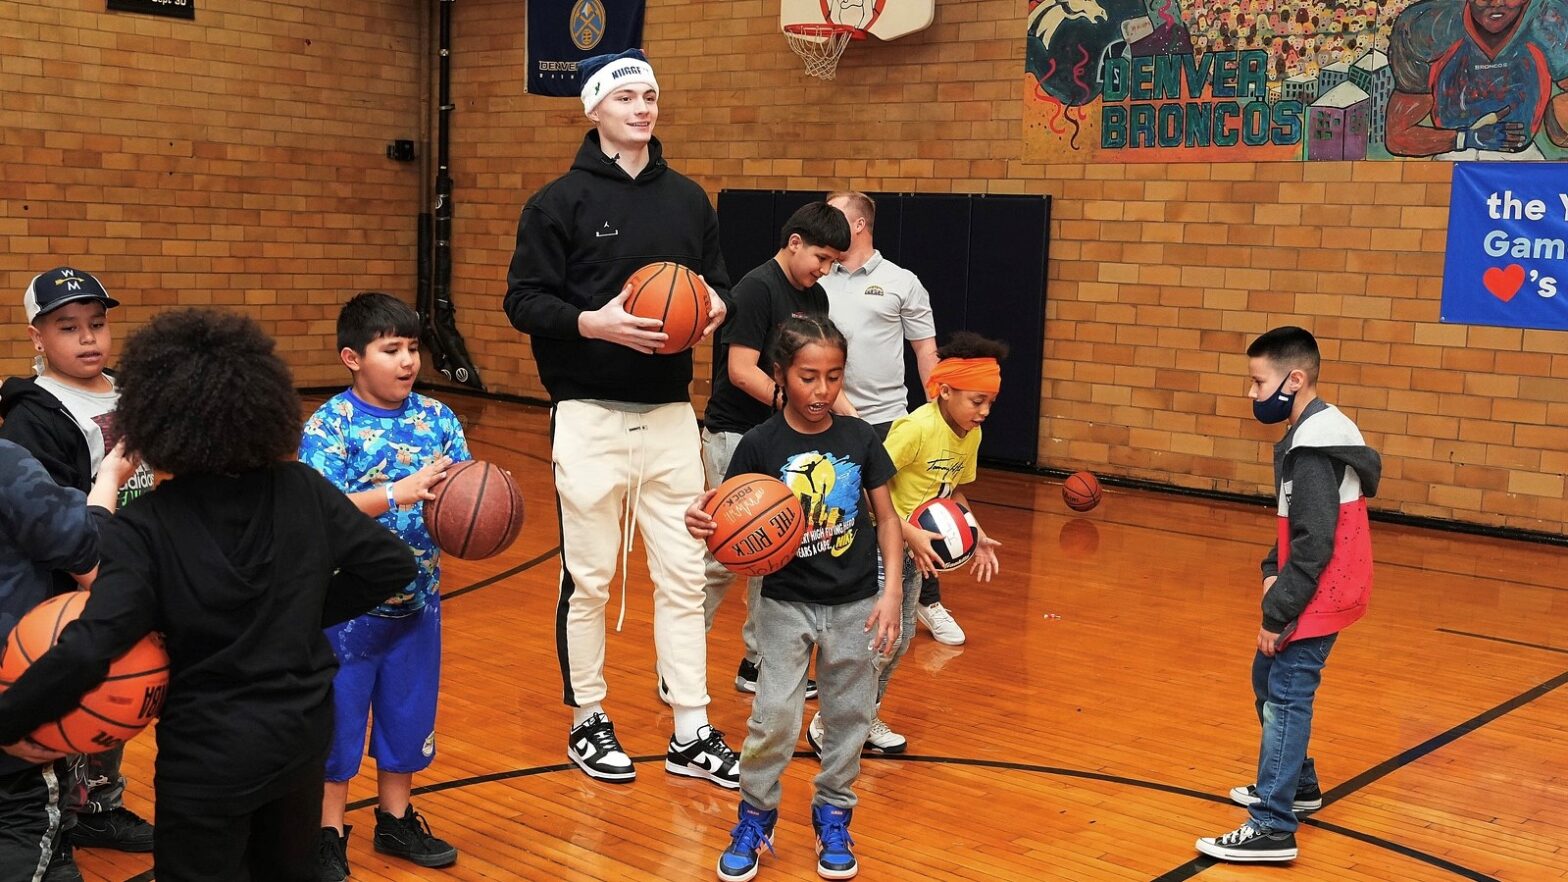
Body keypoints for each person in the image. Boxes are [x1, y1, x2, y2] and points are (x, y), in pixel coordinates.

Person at [0, 308, 416, 882]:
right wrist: (300, 615)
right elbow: (391, 565)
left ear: (154, 417)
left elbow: (90, 647)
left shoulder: (146, 525)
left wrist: (8, 721)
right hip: (300, 735)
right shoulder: (301, 489)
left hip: (209, 752)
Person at [504, 47, 740, 788]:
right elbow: (523, 303)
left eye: (651, 97)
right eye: (628, 96)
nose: (644, 108)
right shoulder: (557, 201)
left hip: (672, 414)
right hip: (587, 412)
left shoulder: (690, 199)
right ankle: (588, 720)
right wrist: (593, 324)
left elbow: (721, 286)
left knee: (684, 577)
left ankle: (691, 729)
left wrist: (713, 310)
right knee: (592, 578)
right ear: (595, 108)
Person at [685, 316, 903, 882]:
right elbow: (720, 515)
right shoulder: (761, 443)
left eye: (834, 377)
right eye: (809, 377)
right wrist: (698, 521)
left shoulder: (858, 439)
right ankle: (756, 817)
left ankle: (833, 813)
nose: (822, 390)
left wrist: (891, 592)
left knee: (849, 718)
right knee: (775, 718)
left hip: (856, 603)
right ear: (780, 374)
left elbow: (887, 520)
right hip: (783, 604)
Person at [1195, 326, 1380, 863]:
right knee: (1268, 679)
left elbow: (1315, 542)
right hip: (1313, 587)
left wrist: (1277, 612)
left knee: (1285, 696)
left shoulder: (1315, 447)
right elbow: (1295, 525)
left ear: (1294, 380)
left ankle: (1273, 825)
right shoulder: (1311, 431)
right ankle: (1297, 787)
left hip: (1319, 594)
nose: (1252, 394)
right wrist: (1269, 567)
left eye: (1258, 382)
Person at [300, 293, 469, 879]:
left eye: (413, 348)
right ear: (352, 357)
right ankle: (326, 833)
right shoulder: (329, 425)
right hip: (343, 612)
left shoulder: (438, 420)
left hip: (417, 603)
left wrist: (477, 516)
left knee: (408, 716)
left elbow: (463, 499)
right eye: (389, 349)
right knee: (337, 729)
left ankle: (395, 820)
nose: (406, 362)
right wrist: (398, 491)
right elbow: (321, 513)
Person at [0, 267, 157, 856]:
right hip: (74, 576)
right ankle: (73, 811)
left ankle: (100, 798)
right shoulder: (33, 415)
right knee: (81, 693)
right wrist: (99, 579)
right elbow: (47, 521)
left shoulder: (122, 391)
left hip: (125, 556)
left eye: (97, 324)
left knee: (118, 689)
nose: (88, 338)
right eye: (68, 327)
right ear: (38, 337)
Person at [807, 332, 1005, 757]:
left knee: (902, 636)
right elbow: (864, 485)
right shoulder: (916, 429)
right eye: (977, 401)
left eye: (991, 401)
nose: (985, 411)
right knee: (877, 637)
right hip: (882, 543)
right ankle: (829, 722)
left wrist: (976, 530)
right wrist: (905, 531)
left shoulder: (970, 434)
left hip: (914, 550)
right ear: (946, 390)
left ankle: (864, 715)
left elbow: (952, 491)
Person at [701, 202, 849, 696]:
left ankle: (756, 663)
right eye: (821, 258)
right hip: (735, 436)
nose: (824, 270)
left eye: (832, 263)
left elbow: (821, 372)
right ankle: (679, 659)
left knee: (772, 551)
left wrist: (850, 422)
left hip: (780, 441)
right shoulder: (755, 289)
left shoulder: (818, 298)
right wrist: (798, 404)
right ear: (794, 243)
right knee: (724, 557)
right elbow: (742, 371)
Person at [821, 191, 962, 649]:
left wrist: (937, 412)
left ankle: (928, 599)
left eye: (835, 216)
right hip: (828, 415)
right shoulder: (817, 275)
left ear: (859, 224)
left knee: (903, 513)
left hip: (886, 420)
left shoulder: (903, 282)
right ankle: (846, 602)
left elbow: (925, 350)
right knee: (840, 512)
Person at [0, 441, 132, 882]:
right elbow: (94, 560)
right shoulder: (5, 463)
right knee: (22, 830)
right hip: (16, 720)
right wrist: (110, 479)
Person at [1386, 0, 1568, 159]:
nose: (1496, 3)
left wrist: (1559, 120)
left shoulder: (1551, 21)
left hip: (1522, 157)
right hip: (1454, 157)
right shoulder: (1429, 27)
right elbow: (1397, 137)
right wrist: (1465, 139)